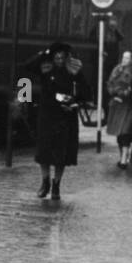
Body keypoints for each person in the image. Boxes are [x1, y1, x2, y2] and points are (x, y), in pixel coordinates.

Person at [24, 39, 91, 200]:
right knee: (44, 152)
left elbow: (86, 91)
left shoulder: (74, 71)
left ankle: (56, 185)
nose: (59, 61)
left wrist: (75, 103)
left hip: (65, 115)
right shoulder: (45, 68)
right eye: (56, 57)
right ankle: (45, 181)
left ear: (66, 57)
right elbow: (28, 66)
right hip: (47, 114)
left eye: (62, 57)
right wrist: (45, 53)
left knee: (61, 154)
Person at [106, 50, 132, 168]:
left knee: (126, 131)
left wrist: (124, 92)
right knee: (119, 132)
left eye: (127, 58)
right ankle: (122, 156)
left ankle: (124, 158)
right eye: (123, 57)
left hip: (129, 105)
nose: (124, 60)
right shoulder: (117, 69)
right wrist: (114, 92)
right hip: (117, 105)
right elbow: (110, 83)